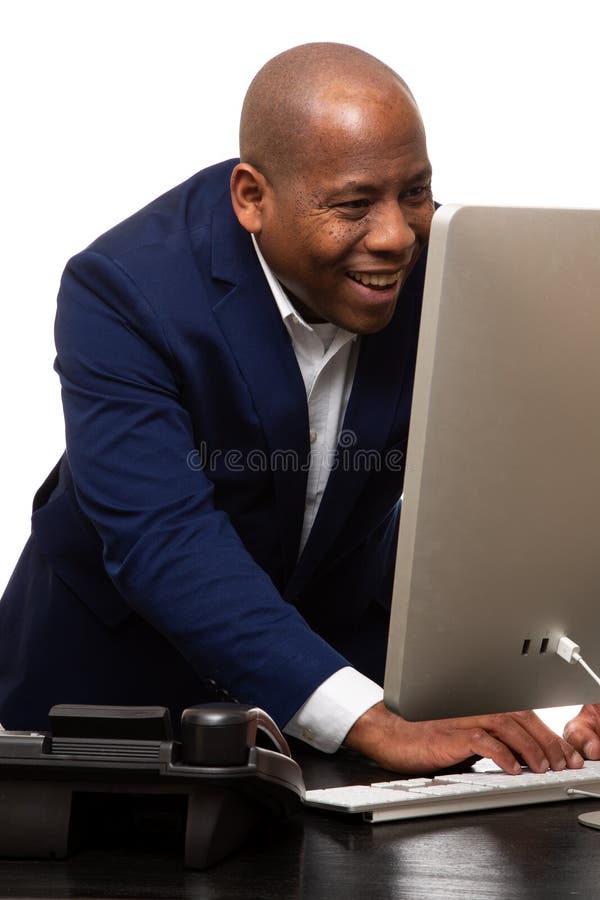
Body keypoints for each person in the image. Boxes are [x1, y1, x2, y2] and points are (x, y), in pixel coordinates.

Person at [0, 42, 591, 775]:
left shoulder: (449, 259)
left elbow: (552, 467)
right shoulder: (122, 292)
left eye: (416, 192)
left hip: (338, 672)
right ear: (252, 197)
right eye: (353, 205)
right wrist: (370, 721)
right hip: (112, 690)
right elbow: (165, 538)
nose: (397, 236)